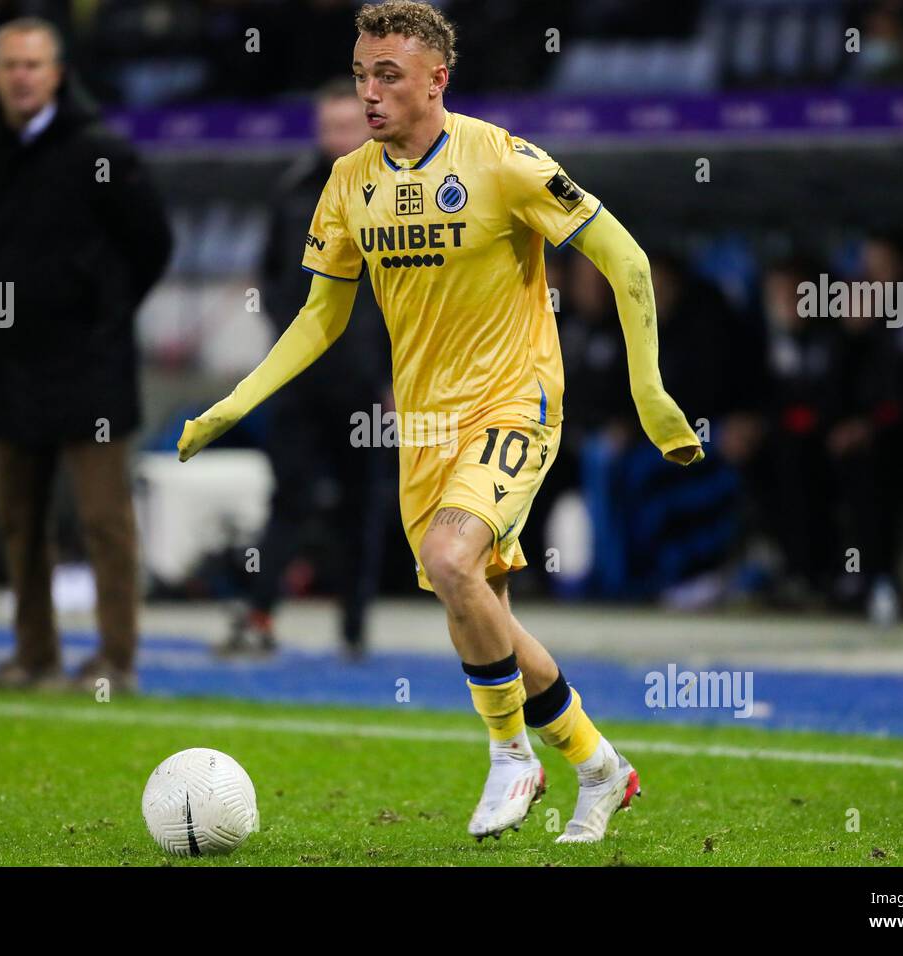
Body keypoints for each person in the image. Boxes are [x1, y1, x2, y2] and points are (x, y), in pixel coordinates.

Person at [175, 0, 702, 844]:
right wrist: (234, 401)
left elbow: (625, 257)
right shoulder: (349, 182)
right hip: (422, 427)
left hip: (513, 401)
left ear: (435, 79)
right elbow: (317, 317)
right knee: (481, 607)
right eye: (360, 75)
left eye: (387, 75)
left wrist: (650, 392)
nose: (370, 93)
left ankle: (510, 757)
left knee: (450, 559)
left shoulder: (504, 160)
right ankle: (600, 768)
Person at [0, 18, 172, 692]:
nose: (21, 75)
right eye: (10, 64)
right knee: (17, 519)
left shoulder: (98, 150)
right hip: (13, 361)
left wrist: (103, 311)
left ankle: (116, 660)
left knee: (103, 521)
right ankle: (35, 655)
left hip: (89, 362)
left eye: (34, 64)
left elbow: (153, 240)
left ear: (57, 73)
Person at [219, 78, 392, 660]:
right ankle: (261, 616)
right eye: (327, 128)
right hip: (300, 378)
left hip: (367, 381)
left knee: (360, 508)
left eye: (346, 127)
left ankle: (354, 629)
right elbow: (270, 275)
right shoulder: (292, 190)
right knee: (287, 500)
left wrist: (397, 376)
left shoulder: (399, 192)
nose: (335, 139)